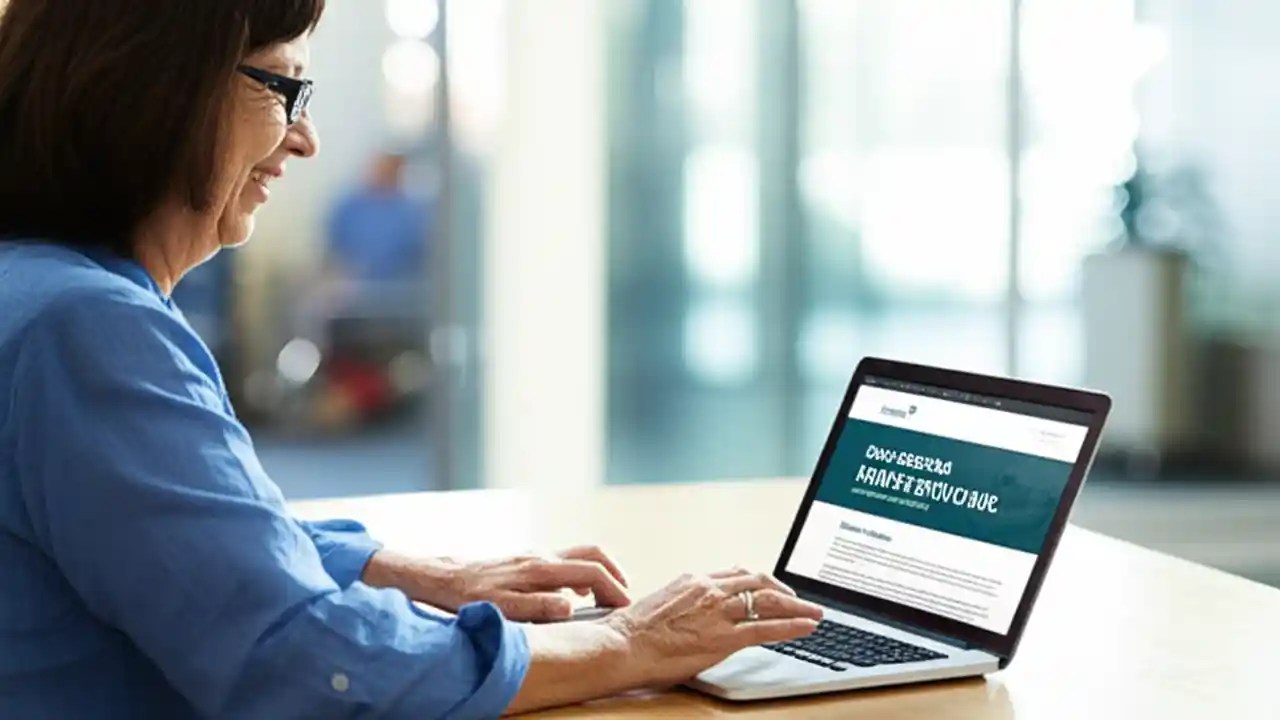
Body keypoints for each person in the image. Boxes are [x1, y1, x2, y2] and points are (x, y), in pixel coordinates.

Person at [0, 2, 822, 719]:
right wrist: (628, 642)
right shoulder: (89, 328)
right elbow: (308, 664)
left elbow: (173, 539)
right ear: (157, 88)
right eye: (280, 87)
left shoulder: (33, 292)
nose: (305, 137)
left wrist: (413, 576)